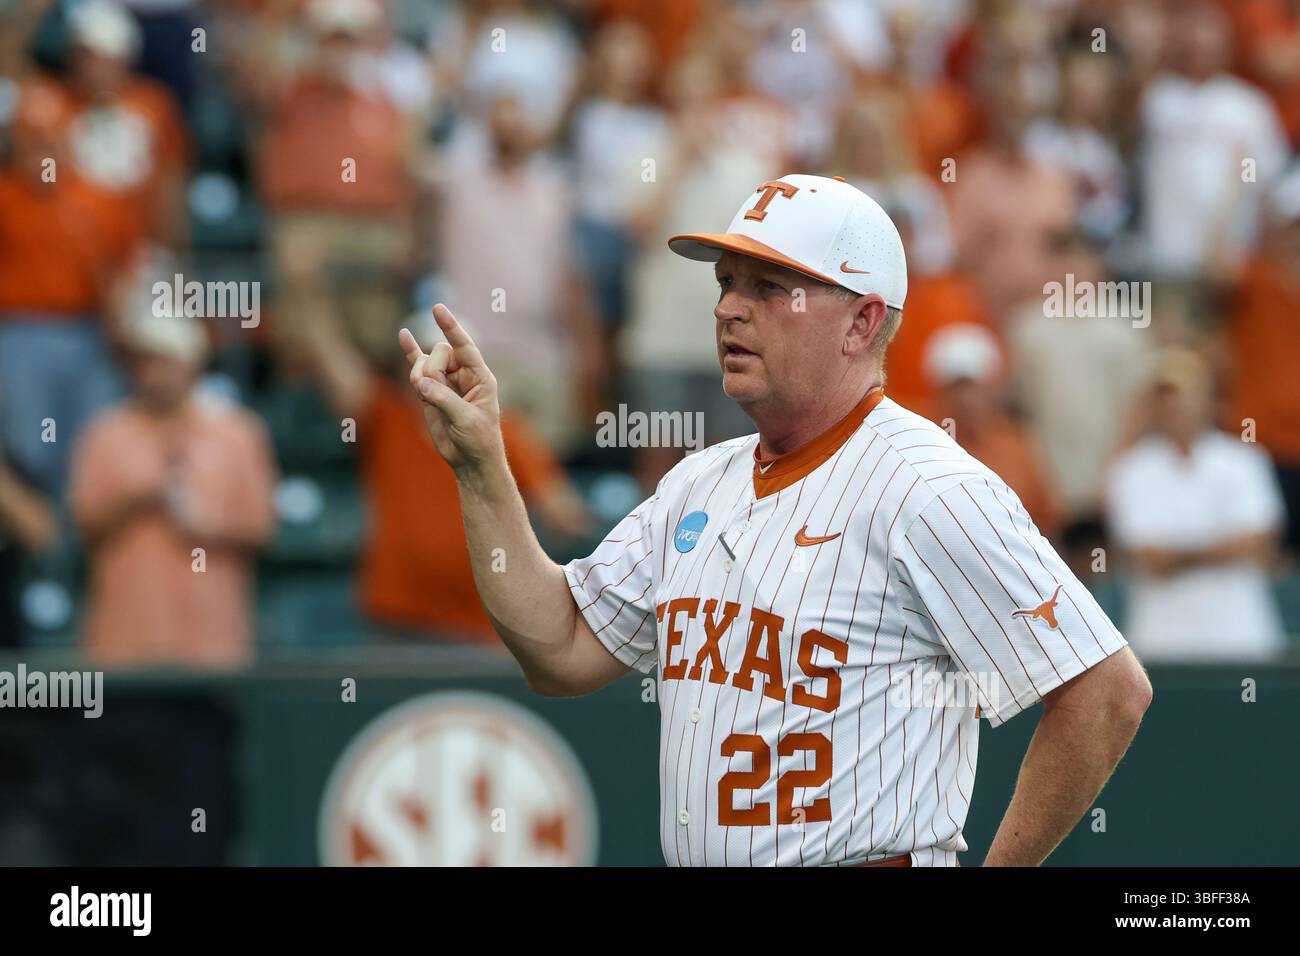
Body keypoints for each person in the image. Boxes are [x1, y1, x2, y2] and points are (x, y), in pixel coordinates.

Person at [397, 174, 1152, 867]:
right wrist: (483, 467)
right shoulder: (698, 482)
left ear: (862, 323)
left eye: (768, 286)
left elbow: (1106, 691)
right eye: (727, 282)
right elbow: (559, 650)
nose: (728, 306)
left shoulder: (930, 486)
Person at [294, 306, 590, 645]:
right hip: (395, 620)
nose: (434, 371)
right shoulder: (386, 418)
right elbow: (335, 364)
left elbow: (563, 512)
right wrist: (307, 295)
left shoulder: (506, 431)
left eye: (445, 360)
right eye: (422, 357)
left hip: (481, 625)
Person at [70, 311, 276, 667]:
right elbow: (82, 526)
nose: (151, 372)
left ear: (192, 363)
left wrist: (205, 525)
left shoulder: (238, 434)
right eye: (142, 361)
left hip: (213, 645)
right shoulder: (105, 433)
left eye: (163, 360)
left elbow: (261, 529)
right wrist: (136, 500)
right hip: (124, 646)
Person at [1106, 349, 1286, 663]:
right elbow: (1146, 555)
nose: (1178, 407)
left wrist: (1178, 553)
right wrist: (1221, 548)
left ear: (1209, 401)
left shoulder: (1245, 460)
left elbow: (1259, 542)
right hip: (1161, 642)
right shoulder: (1130, 470)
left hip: (1240, 637)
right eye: (1169, 397)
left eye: (1188, 395)